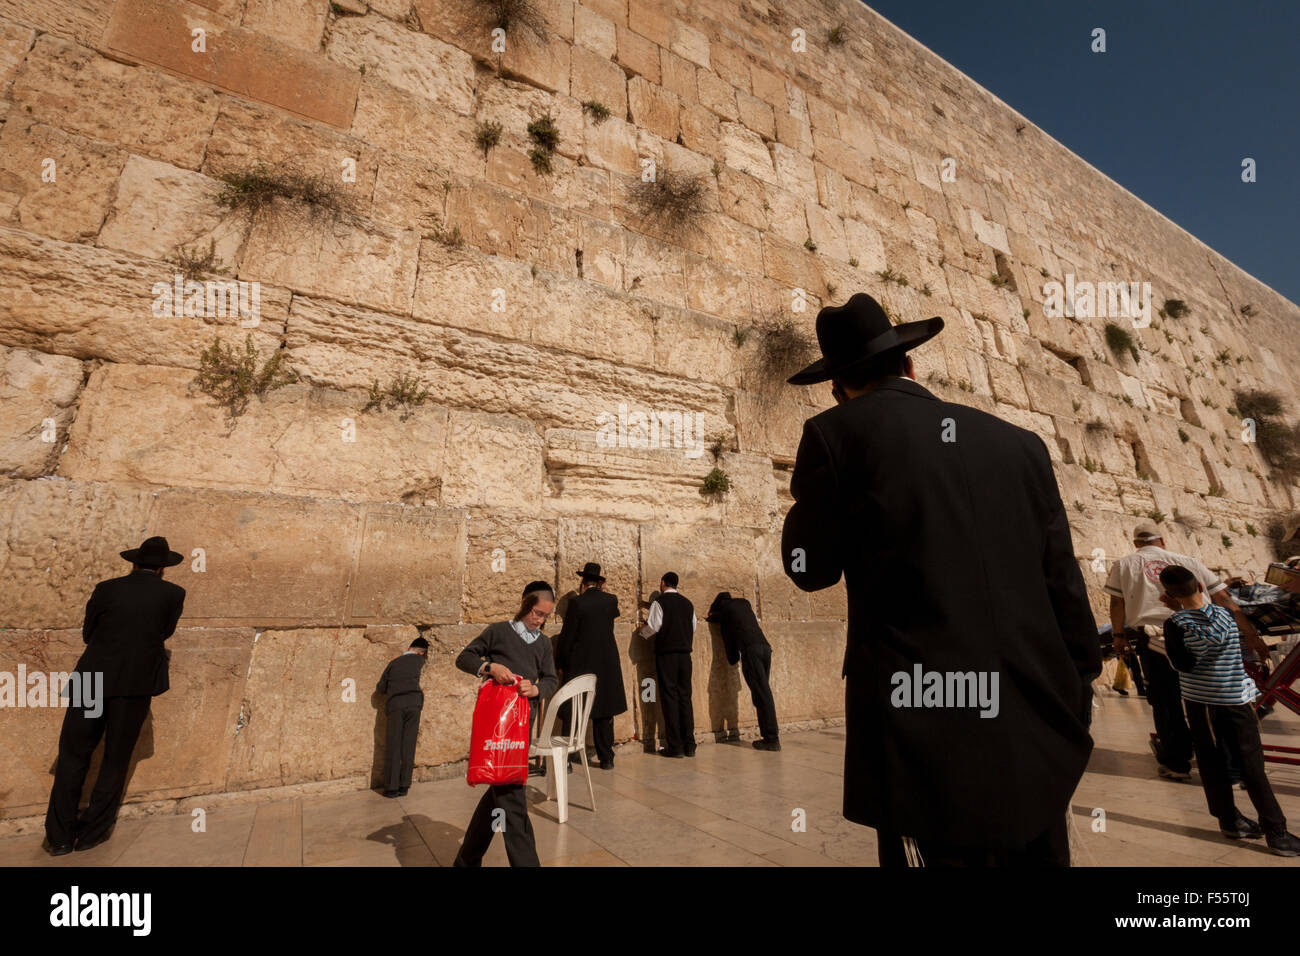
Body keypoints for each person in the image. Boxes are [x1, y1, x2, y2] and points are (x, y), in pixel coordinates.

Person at [781, 293, 1100, 867]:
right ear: (910, 365)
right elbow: (1063, 584)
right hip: (1036, 720)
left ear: (837, 386)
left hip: (922, 734)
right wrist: (1077, 692)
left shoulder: (835, 434)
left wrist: (812, 497)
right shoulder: (1022, 445)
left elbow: (810, 569)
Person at [44, 536, 186, 855]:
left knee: (72, 756)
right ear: (163, 567)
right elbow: (163, 633)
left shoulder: (106, 588)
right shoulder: (173, 594)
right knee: (116, 758)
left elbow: (88, 632)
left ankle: (59, 837)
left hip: (91, 678)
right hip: (134, 685)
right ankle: (93, 833)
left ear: (134, 562)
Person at [1105, 523, 1266, 780]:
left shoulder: (1123, 565)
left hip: (1155, 639)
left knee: (1166, 703)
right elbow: (1223, 598)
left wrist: (1118, 635)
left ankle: (1177, 764)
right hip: (1199, 634)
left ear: (1135, 543)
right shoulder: (1187, 561)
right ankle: (1229, 769)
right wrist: (1251, 636)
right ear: (1163, 540)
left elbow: (1116, 602)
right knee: (1213, 701)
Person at [1159, 565, 1300, 856]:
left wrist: (1174, 617)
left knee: (1213, 763)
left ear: (1168, 595)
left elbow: (1183, 664)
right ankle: (1277, 832)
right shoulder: (1226, 616)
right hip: (1236, 700)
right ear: (1200, 585)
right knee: (1251, 766)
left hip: (1202, 704)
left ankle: (1230, 820)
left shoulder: (1176, 624)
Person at [452, 581, 558, 867]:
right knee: (512, 799)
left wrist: (536, 689)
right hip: (496, 729)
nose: (540, 620)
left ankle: (466, 860)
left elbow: (550, 679)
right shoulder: (498, 631)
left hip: (522, 729)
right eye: (537, 613)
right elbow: (464, 658)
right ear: (524, 603)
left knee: (500, 794)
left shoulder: (544, 643)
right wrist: (490, 668)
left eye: (545, 616)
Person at [555, 562, 627, 769]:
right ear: (599, 582)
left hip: (581, 663)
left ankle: (567, 758)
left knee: (574, 711)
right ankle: (607, 758)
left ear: (582, 582)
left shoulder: (577, 603)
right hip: (606, 664)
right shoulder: (611, 600)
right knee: (604, 712)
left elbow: (568, 637)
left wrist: (561, 662)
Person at [706, 592, 780, 751]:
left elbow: (727, 637)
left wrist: (732, 659)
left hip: (750, 650)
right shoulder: (744, 604)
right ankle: (769, 737)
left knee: (761, 695)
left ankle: (772, 739)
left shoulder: (725, 611)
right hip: (765, 648)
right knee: (763, 693)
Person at [638, 572, 697, 758]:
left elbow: (654, 627)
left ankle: (675, 747)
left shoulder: (659, 602)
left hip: (667, 656)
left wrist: (641, 632)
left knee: (670, 698)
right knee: (685, 698)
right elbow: (693, 626)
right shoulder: (688, 604)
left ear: (663, 583)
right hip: (685, 657)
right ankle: (690, 745)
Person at [375, 636, 429, 797]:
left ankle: (391, 787)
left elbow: (380, 687)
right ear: (422, 653)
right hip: (414, 704)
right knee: (408, 744)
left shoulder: (394, 663)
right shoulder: (421, 662)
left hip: (396, 705)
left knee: (394, 744)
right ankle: (404, 785)